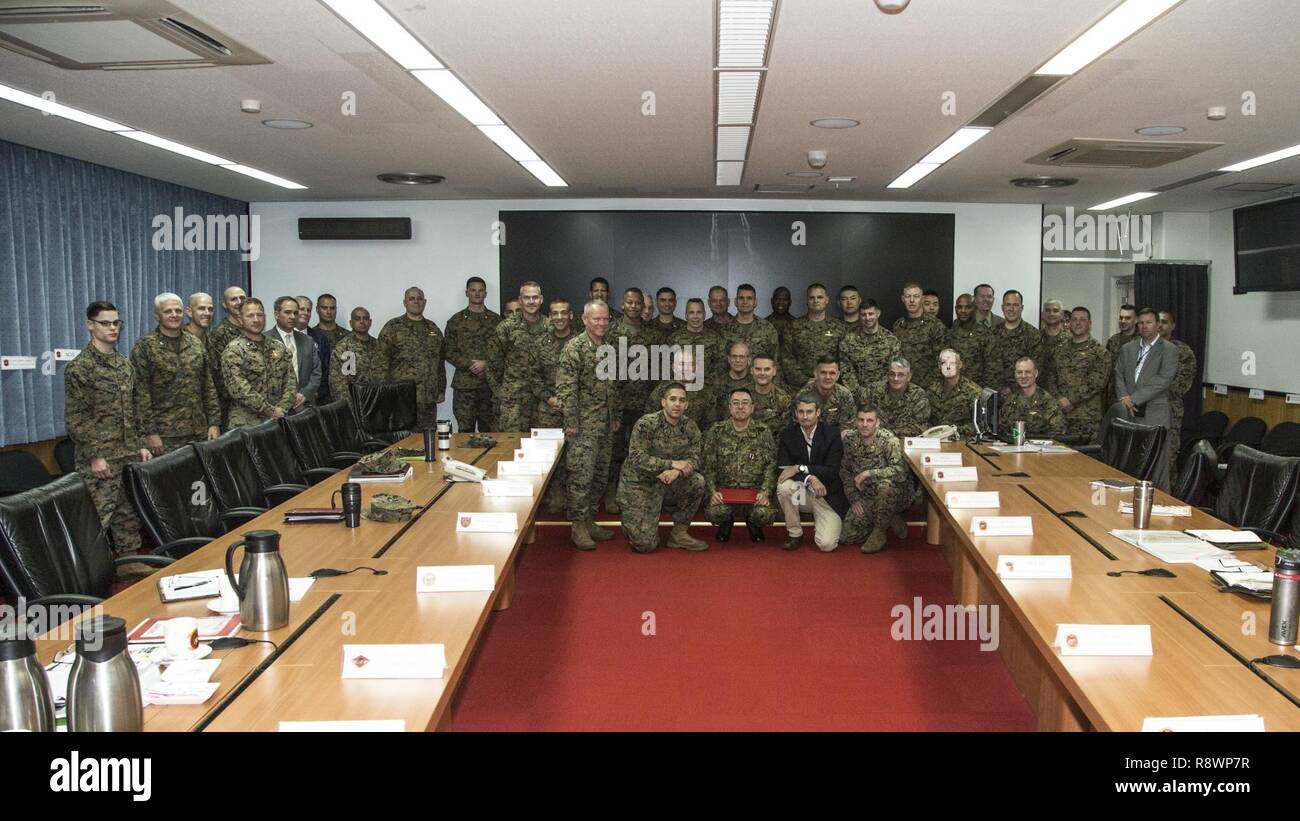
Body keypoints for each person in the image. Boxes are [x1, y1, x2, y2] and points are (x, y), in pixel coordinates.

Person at [64, 301, 153, 557]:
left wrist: (142, 445)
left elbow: (135, 409)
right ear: (90, 325)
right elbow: (76, 418)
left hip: (127, 452)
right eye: (106, 323)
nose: (113, 328)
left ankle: (128, 561)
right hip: (100, 457)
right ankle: (85, 573)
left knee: (128, 514)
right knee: (96, 518)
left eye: (116, 323)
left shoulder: (124, 365)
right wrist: (95, 456)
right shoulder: (80, 368)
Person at [556, 301, 620, 550]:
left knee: (600, 476)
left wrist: (614, 417)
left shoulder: (608, 349)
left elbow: (613, 388)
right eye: (596, 319)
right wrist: (571, 421)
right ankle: (578, 526)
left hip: (604, 424)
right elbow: (566, 388)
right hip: (582, 426)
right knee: (581, 477)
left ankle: (590, 519)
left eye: (605, 319)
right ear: (584, 319)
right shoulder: (575, 348)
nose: (602, 323)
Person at [618, 383, 708, 553]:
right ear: (663, 402)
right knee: (645, 545)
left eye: (682, 400)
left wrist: (677, 471)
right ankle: (637, 519)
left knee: (697, 481)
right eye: (672, 399)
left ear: (686, 405)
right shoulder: (646, 423)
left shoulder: (690, 427)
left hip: (670, 480)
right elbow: (636, 457)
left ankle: (679, 533)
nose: (677, 404)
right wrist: (671, 464)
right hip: (640, 484)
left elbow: (697, 458)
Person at [130, 292, 220, 454]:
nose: (174, 315)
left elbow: (208, 386)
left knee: (200, 479)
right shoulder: (145, 347)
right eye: (168, 311)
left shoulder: (195, 343)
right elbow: (140, 394)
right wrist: (150, 433)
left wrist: (214, 423)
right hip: (165, 434)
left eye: (177, 311)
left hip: (199, 430)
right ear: (157, 316)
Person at [1111, 309, 1179, 491]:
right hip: (1129, 414)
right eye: (1141, 323)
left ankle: (1161, 502)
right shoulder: (1128, 349)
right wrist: (1124, 399)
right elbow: (1119, 374)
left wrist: (1133, 399)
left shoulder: (1169, 350)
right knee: (1130, 460)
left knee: (1157, 464)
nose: (1144, 326)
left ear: (1158, 324)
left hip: (1154, 414)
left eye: (1149, 322)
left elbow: (1163, 380)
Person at [605, 288, 660, 513]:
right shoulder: (611, 331)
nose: (635, 307)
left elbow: (657, 370)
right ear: (622, 304)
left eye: (638, 303)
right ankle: (612, 493)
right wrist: (612, 408)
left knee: (642, 451)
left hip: (644, 404)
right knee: (615, 451)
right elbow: (606, 372)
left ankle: (638, 493)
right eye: (630, 302)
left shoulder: (652, 334)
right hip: (618, 403)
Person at [702, 388, 777, 543]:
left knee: (764, 514)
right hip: (725, 494)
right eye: (736, 403)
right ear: (729, 407)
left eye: (745, 403)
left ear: (752, 407)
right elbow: (708, 467)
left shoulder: (763, 432)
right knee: (715, 513)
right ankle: (726, 522)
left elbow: (771, 466)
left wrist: (765, 492)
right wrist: (712, 492)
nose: (740, 407)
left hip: (754, 494)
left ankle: (753, 522)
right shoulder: (716, 431)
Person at [776, 392, 848, 551]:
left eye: (809, 412)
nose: (805, 416)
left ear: (818, 413)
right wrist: (810, 478)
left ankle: (822, 521)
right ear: (796, 413)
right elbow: (783, 470)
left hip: (826, 496)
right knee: (784, 486)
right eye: (801, 412)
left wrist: (800, 468)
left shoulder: (832, 434)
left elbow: (832, 471)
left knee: (826, 545)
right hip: (802, 495)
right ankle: (795, 534)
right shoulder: (787, 435)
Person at [840, 406, 913, 553]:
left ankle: (879, 533)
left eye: (870, 420)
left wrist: (869, 473)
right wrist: (853, 498)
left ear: (877, 423)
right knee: (847, 536)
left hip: (895, 493)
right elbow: (845, 472)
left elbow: (900, 471)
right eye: (861, 420)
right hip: (867, 495)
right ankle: (889, 516)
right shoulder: (850, 440)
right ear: (856, 421)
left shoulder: (889, 440)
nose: (865, 424)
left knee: (885, 487)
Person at [378, 286, 447, 428]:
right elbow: (380, 361)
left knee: (428, 440)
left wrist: (441, 389)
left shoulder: (433, 329)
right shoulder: (393, 327)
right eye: (411, 299)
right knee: (404, 441)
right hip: (402, 397)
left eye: (419, 298)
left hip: (428, 398)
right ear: (405, 303)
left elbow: (439, 362)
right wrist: (385, 392)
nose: (416, 302)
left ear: (425, 302)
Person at [223, 298, 296, 429]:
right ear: (240, 319)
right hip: (247, 425)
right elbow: (240, 390)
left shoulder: (278, 347)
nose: (256, 320)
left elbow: (290, 381)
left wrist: (282, 409)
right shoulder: (234, 350)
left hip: (279, 422)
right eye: (250, 315)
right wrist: (271, 411)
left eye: (260, 315)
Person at [488, 281, 549, 431]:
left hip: (543, 402)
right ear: (520, 300)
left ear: (541, 299)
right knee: (511, 446)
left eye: (535, 297)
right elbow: (493, 364)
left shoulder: (551, 327)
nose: (531, 301)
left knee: (543, 447)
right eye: (527, 297)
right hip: (513, 402)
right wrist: (501, 393)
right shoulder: (506, 327)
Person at [533, 300, 576, 512]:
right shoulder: (540, 343)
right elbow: (534, 377)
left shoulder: (580, 342)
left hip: (576, 409)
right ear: (549, 317)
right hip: (548, 409)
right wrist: (549, 398)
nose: (559, 317)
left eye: (563, 313)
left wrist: (571, 401)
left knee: (575, 455)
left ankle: (574, 498)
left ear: (571, 315)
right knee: (550, 455)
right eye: (555, 313)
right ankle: (554, 494)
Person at [444, 276, 502, 432]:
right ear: (467, 293)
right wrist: (469, 364)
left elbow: (503, 351)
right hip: (465, 387)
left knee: (491, 432)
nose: (477, 294)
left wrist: (486, 363)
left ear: (485, 294)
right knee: (465, 432)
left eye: (480, 290)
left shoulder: (497, 321)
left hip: (489, 385)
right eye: (473, 290)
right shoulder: (455, 321)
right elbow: (448, 351)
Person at [1049, 307, 1110, 441]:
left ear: (1090, 323)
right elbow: (1051, 377)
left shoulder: (1100, 352)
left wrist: (1070, 400)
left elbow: (1096, 382)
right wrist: (1058, 398)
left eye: (1082, 320)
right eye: (1074, 319)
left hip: (1086, 418)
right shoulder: (1059, 349)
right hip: (1060, 415)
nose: (1077, 323)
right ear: (1069, 323)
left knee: (1085, 460)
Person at [1159, 309, 1198, 481]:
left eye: (1165, 322)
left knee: (1167, 458)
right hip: (1142, 413)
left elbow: (1180, 385)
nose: (1160, 325)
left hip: (1169, 412)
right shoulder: (1142, 349)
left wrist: (1150, 390)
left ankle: (1169, 499)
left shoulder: (1182, 352)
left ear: (1173, 326)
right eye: (1157, 321)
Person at [783, 283, 844, 389]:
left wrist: (829, 380)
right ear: (807, 301)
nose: (816, 301)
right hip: (800, 387)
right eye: (812, 298)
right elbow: (787, 359)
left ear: (827, 300)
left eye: (820, 297)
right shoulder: (793, 326)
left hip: (831, 387)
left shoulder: (839, 327)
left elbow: (844, 359)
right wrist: (804, 381)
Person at [645, 347, 718, 430]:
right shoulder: (661, 390)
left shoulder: (705, 393)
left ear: (695, 368)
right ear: (673, 367)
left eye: (690, 365)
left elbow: (710, 425)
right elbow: (649, 421)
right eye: (681, 364)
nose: (685, 368)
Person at [858, 358, 931, 438]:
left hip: (906, 442)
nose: (896, 378)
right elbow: (861, 419)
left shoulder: (918, 395)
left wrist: (888, 434)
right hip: (875, 441)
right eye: (892, 374)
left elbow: (919, 427)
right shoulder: (872, 391)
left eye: (901, 375)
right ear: (887, 375)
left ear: (909, 376)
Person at [206, 285, 247, 427]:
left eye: (242, 298)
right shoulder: (219, 334)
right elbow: (218, 377)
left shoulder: (253, 330)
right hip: (233, 410)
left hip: (257, 407)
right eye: (233, 299)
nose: (239, 302)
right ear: (224, 304)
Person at [839, 298, 900, 393]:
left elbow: (893, 370)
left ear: (878, 313)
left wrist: (877, 392)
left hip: (884, 395)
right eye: (863, 315)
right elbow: (847, 372)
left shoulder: (891, 340)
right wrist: (860, 393)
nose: (867, 318)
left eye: (870, 314)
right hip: (857, 396)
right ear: (859, 315)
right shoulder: (848, 341)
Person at [891, 282, 946, 388]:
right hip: (903, 386)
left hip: (929, 388)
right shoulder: (898, 325)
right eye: (908, 296)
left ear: (922, 299)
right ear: (903, 299)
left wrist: (933, 386)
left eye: (916, 296)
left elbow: (942, 360)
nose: (912, 300)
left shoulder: (935, 325)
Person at [988, 290, 1041, 398]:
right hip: (992, 397)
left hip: (1021, 397)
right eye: (1008, 305)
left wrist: (1012, 389)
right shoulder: (990, 333)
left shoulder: (1033, 335)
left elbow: (1036, 369)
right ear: (1002, 307)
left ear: (1022, 308)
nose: (1011, 309)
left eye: (1016, 305)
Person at [330, 307, 386, 406]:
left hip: (378, 402)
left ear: (370, 322)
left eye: (365, 318)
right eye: (357, 319)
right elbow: (338, 383)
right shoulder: (344, 347)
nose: (362, 322)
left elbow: (386, 376)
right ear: (351, 323)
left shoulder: (379, 346)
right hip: (356, 403)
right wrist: (348, 408)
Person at [268, 296, 317, 408]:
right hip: (276, 407)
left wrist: (304, 394)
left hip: (305, 404)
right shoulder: (265, 340)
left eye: (295, 313)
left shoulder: (307, 340)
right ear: (276, 314)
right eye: (288, 312)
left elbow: (316, 372)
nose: (292, 316)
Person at [1001, 357, 1065, 437]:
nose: (1023, 376)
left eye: (1028, 372)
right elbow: (1003, 431)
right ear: (1015, 374)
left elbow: (1058, 433)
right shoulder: (1011, 401)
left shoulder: (1048, 402)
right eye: (1019, 372)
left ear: (1036, 373)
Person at [927, 349, 982, 438]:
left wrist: (954, 431)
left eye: (952, 363)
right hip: (934, 440)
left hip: (960, 441)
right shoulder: (932, 389)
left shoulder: (973, 391)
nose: (948, 367)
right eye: (943, 363)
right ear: (939, 366)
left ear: (960, 365)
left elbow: (980, 424)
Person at [669, 298, 727, 382]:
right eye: (691, 312)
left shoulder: (715, 338)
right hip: (681, 387)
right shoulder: (674, 338)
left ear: (704, 315)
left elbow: (722, 365)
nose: (695, 316)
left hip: (708, 388)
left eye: (699, 312)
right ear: (686, 315)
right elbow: (668, 366)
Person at [720, 283, 779, 362]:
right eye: (741, 298)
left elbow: (775, 360)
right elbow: (720, 362)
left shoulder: (768, 328)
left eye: (749, 298)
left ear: (755, 302)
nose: (745, 302)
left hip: (759, 374)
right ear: (735, 302)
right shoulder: (724, 329)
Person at [945, 293, 994, 387]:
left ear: (975, 309)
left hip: (976, 390)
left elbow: (992, 370)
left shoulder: (985, 335)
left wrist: (984, 395)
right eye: (960, 307)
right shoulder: (950, 333)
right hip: (953, 390)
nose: (963, 311)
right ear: (955, 309)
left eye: (968, 307)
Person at [803, 355, 856, 429]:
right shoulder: (803, 396)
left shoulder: (845, 395)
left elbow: (847, 427)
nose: (827, 377)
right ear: (815, 374)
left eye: (832, 373)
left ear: (837, 376)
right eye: (823, 373)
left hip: (837, 437)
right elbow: (801, 428)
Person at [296, 295, 330, 403]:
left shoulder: (320, 339)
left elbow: (325, 370)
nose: (305, 313)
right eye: (301, 309)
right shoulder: (282, 337)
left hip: (314, 399)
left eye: (308, 310)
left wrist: (313, 393)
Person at [1104, 304, 1138, 407]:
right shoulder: (1113, 341)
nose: (1123, 321)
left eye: (1127, 318)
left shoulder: (1142, 341)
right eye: (1121, 317)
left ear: (1136, 320)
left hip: (1135, 397)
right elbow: (1107, 369)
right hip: (1114, 397)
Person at [749, 353, 792, 431]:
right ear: (752, 370)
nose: (762, 373)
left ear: (774, 371)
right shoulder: (741, 396)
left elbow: (786, 432)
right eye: (758, 369)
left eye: (767, 369)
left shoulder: (784, 399)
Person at [1036, 299, 1069, 391]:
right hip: (1038, 395)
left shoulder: (1071, 341)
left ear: (1062, 315)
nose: (1051, 314)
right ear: (1042, 315)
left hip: (1063, 398)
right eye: (1047, 310)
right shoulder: (1034, 339)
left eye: (1055, 311)